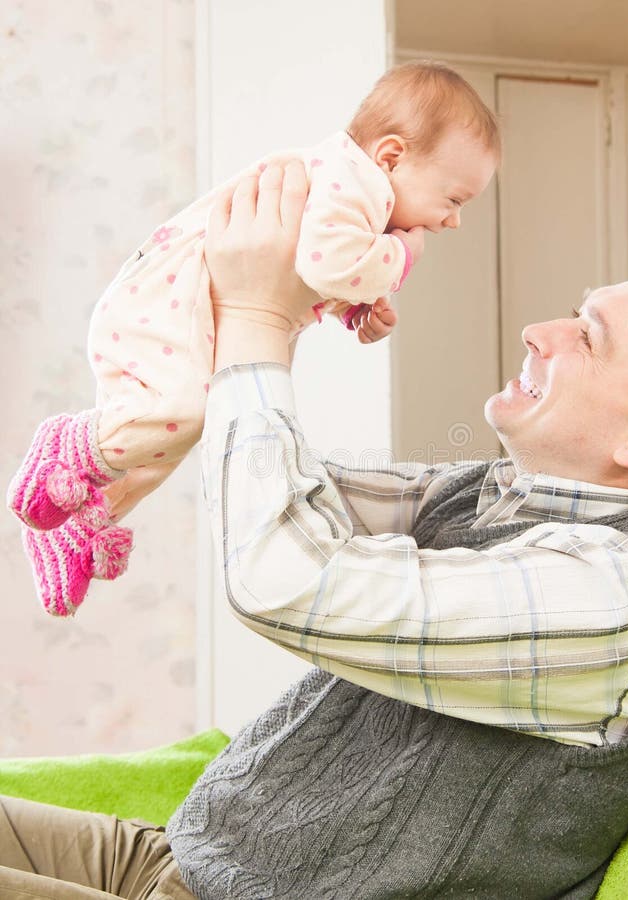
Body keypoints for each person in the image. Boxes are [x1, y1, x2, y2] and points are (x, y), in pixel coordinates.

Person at [0, 163, 628, 899]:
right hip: (183, 855)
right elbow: (273, 483)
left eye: (588, 338)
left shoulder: (625, 597)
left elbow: (283, 580)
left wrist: (256, 319)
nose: (539, 331)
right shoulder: (496, 496)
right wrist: (284, 308)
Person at [6, 61, 499, 617]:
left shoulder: (352, 196)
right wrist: (401, 256)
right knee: (177, 412)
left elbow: (310, 272)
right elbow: (328, 262)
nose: (454, 221)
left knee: (174, 436)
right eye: (454, 200)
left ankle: (80, 519)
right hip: (167, 301)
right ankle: (69, 447)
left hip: (192, 310)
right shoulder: (353, 181)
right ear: (390, 157)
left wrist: (355, 309)